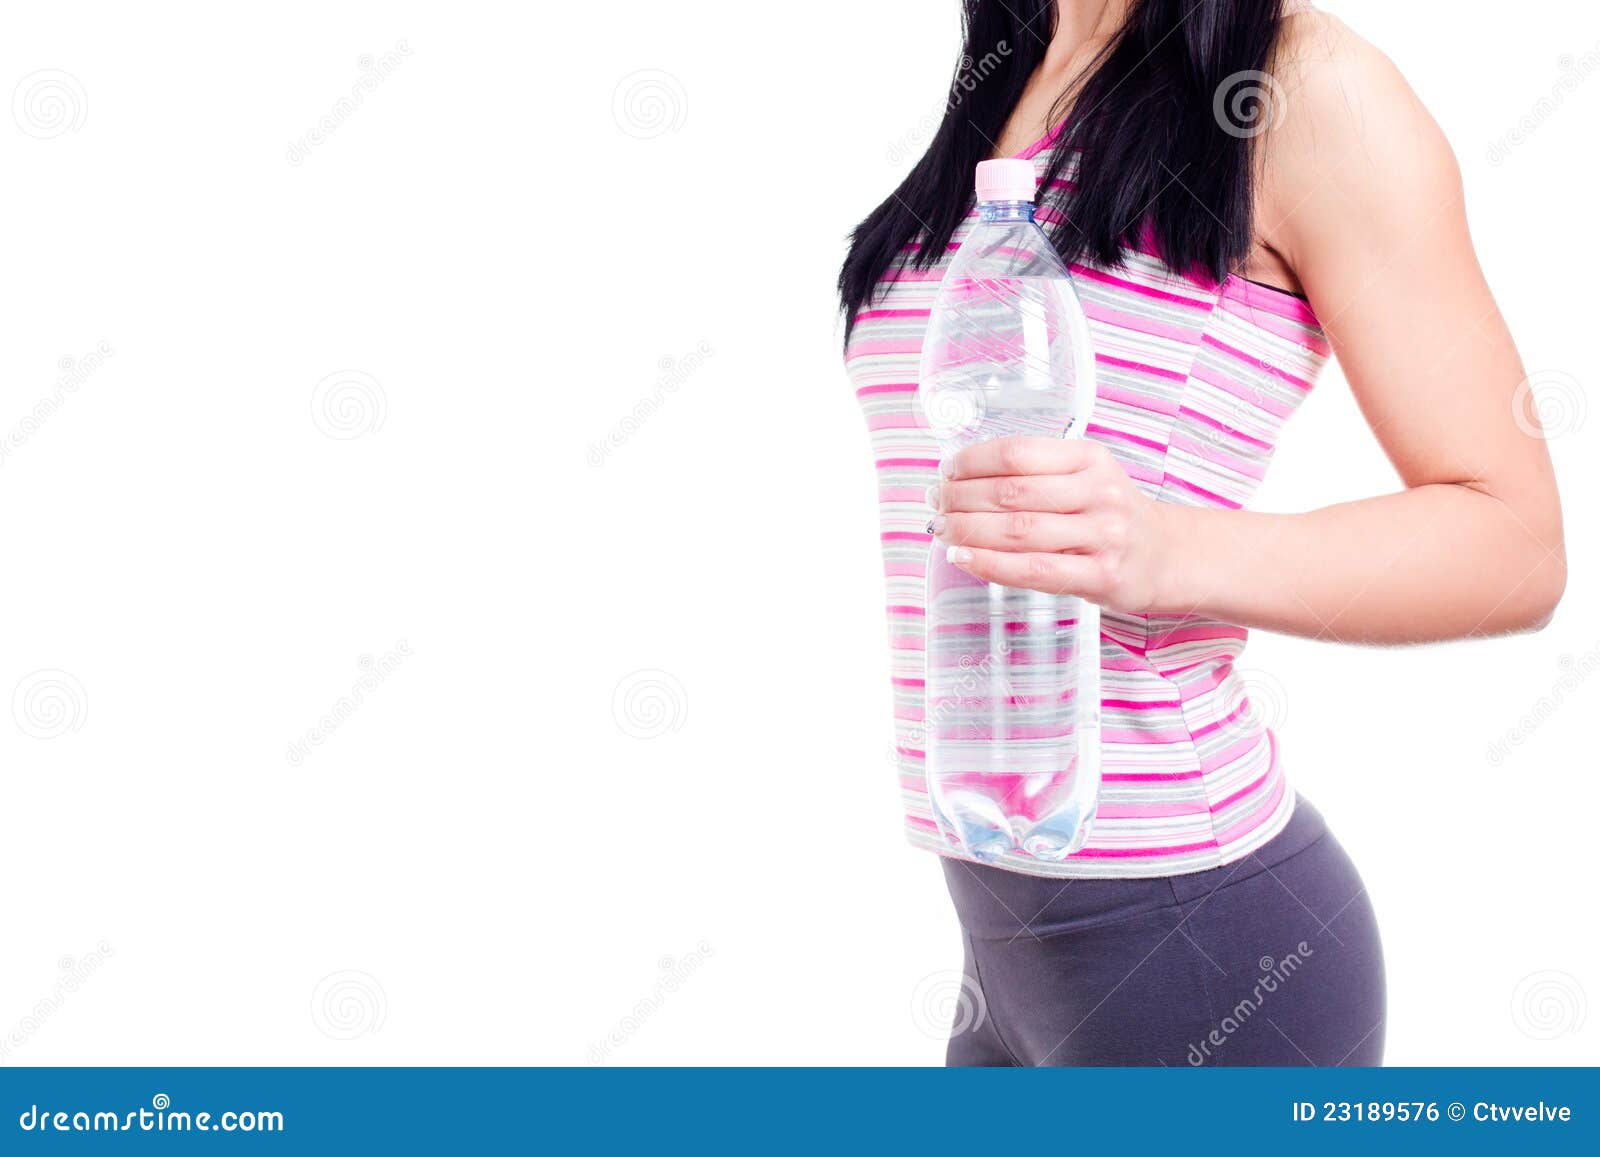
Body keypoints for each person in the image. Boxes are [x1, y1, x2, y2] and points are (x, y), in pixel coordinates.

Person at [838, 0, 1565, 1066]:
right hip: (999, 955)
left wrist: (1164, 552)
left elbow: (1516, 545)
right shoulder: (1016, 64)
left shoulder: (1307, 85)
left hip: (1200, 947)